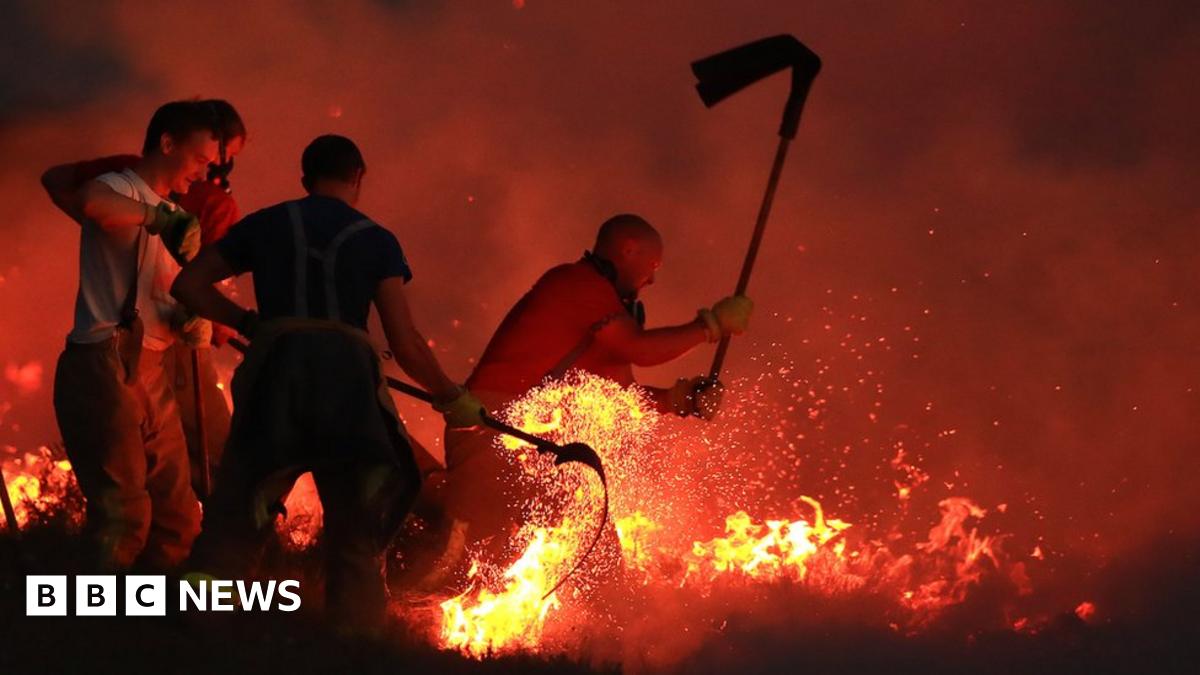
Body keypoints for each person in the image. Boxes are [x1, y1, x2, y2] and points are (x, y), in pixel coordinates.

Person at [171, 134, 483, 627]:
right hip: (348, 392)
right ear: (358, 177)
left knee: (236, 517)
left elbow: (188, 284)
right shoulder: (376, 240)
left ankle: (193, 632)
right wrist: (451, 397)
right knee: (356, 531)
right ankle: (352, 647)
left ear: (305, 178)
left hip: (274, 380)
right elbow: (404, 342)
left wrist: (248, 323)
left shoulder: (268, 223)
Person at [419, 213, 753, 586]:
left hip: (531, 442)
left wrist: (681, 400)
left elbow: (623, 395)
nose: (652, 279)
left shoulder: (605, 314)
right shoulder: (577, 283)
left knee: (593, 544)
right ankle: (401, 593)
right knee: (461, 558)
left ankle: (610, 616)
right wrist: (709, 327)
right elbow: (639, 349)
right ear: (629, 250)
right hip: (493, 428)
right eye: (653, 266)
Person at [42, 99, 247, 500]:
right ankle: (231, 527)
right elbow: (90, 201)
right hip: (149, 351)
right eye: (212, 159)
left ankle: (181, 531)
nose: (212, 171)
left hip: (155, 342)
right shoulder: (198, 201)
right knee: (215, 456)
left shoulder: (151, 188)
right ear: (172, 145)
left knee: (167, 487)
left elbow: (55, 180)